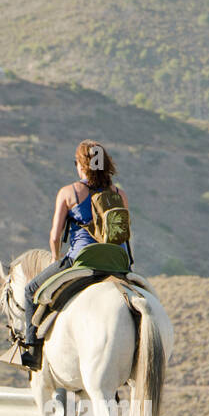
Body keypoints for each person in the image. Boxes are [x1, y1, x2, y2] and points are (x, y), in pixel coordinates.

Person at [18, 140, 131, 369]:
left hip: (83, 258)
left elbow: (54, 235)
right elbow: (125, 231)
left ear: (82, 165)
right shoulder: (119, 194)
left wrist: (54, 257)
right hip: (118, 260)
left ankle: (32, 350)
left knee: (30, 290)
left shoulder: (69, 192)